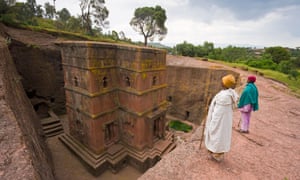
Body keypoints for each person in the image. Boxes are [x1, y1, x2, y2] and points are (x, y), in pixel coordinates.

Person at [204, 74, 239, 162]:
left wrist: (211, 116)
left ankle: (215, 152)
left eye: (222, 81)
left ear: (225, 84)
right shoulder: (231, 93)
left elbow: (218, 111)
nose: (221, 82)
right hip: (225, 121)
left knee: (216, 133)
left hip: (219, 120)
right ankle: (216, 151)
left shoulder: (224, 96)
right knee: (221, 135)